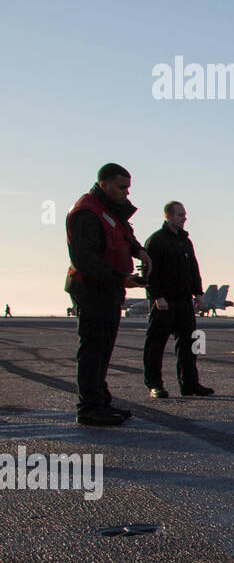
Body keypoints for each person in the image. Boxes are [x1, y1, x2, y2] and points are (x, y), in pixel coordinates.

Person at [65, 163, 151, 426]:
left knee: (103, 348)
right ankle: (89, 408)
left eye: (128, 188)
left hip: (108, 289)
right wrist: (121, 278)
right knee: (93, 349)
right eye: (121, 187)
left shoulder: (107, 210)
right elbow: (84, 259)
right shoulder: (86, 213)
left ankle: (100, 401)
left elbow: (124, 234)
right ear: (104, 184)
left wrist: (140, 251)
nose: (126, 193)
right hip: (92, 289)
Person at [143, 202, 213, 398]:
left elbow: (193, 268)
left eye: (184, 214)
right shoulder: (156, 241)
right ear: (169, 216)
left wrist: (198, 293)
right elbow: (149, 272)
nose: (184, 218)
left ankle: (190, 384)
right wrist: (157, 297)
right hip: (164, 302)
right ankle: (155, 385)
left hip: (184, 301)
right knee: (156, 345)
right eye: (180, 215)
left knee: (189, 343)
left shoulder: (185, 241)